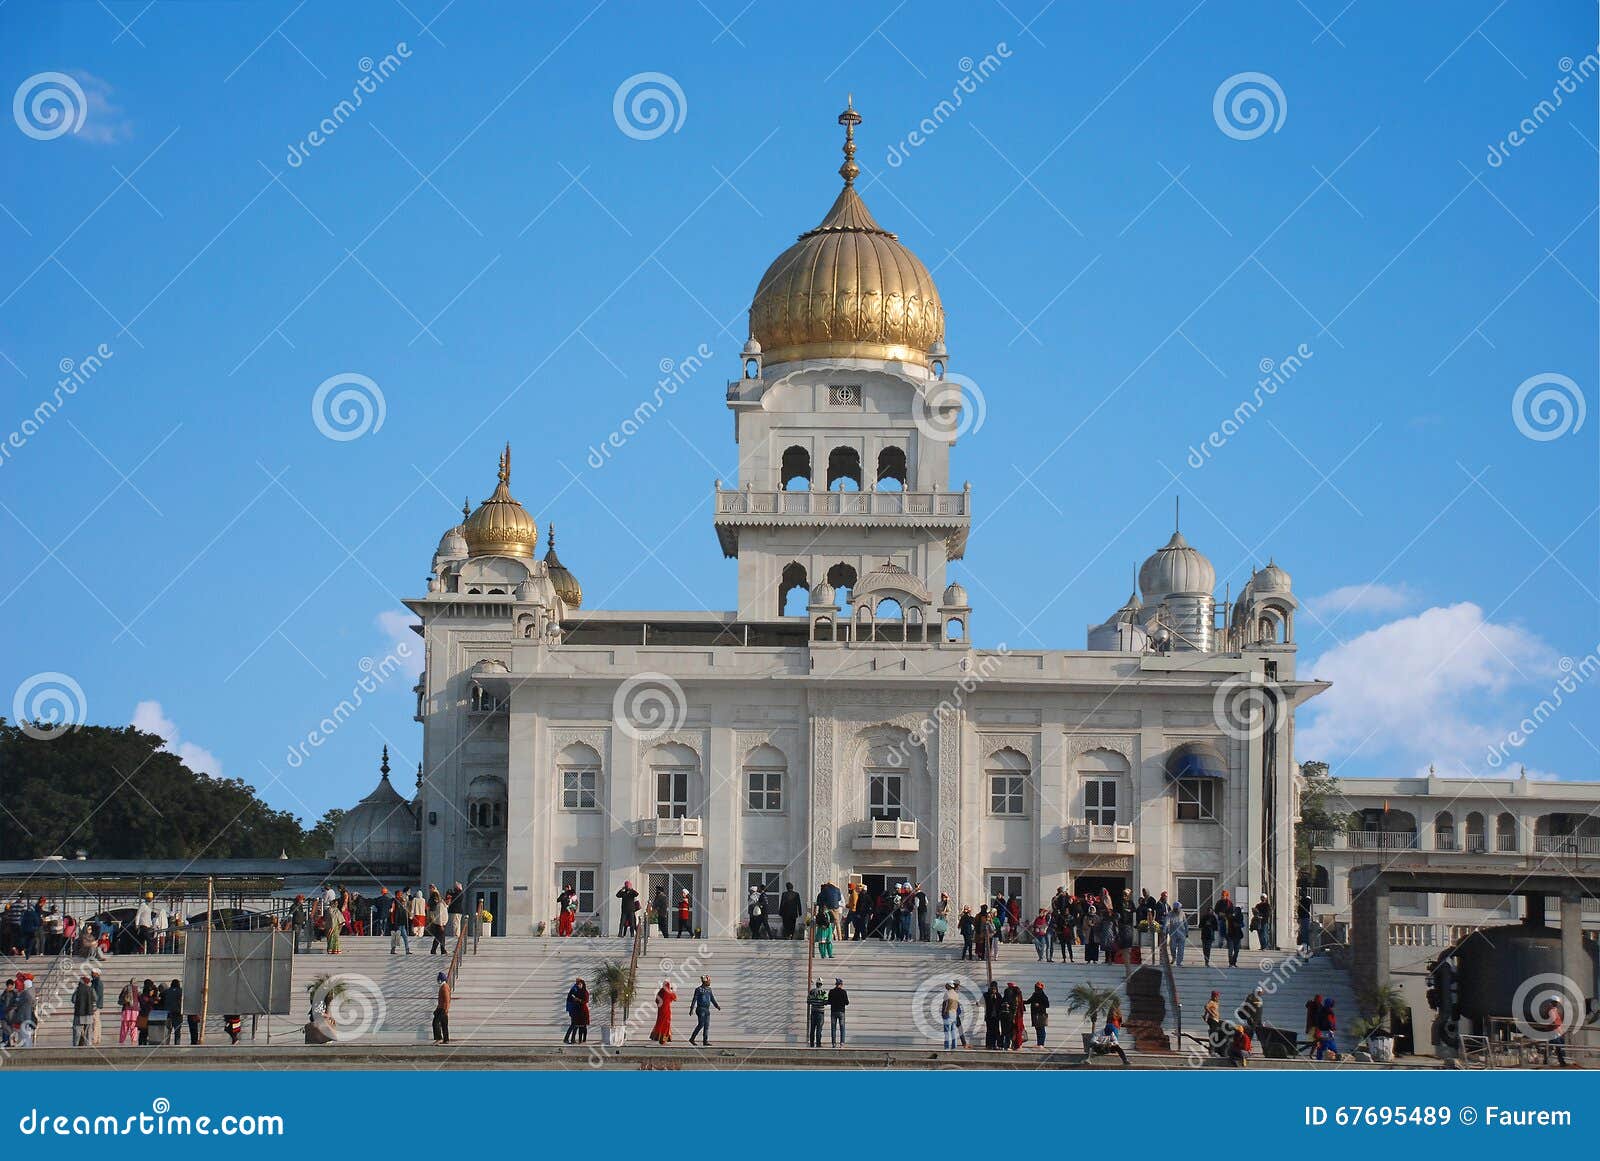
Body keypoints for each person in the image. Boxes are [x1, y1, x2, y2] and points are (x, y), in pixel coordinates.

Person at [688, 976, 720, 1046]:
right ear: (705, 981)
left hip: (707, 1009)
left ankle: (705, 1041)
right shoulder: (698, 989)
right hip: (700, 1009)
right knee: (701, 1024)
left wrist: (716, 1006)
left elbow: (712, 999)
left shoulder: (709, 989)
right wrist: (691, 1009)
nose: (710, 982)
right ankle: (692, 1039)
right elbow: (694, 999)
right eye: (709, 981)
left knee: (706, 1025)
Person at [72, 973, 96, 1047]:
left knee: (77, 1031)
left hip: (79, 1013)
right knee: (88, 1031)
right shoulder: (91, 989)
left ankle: (75, 1045)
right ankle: (88, 1045)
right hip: (89, 1013)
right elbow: (95, 999)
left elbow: (73, 1000)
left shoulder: (78, 990)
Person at [564, 977, 590, 1044]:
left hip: (577, 1010)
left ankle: (572, 1040)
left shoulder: (578, 989)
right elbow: (571, 998)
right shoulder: (575, 988)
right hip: (574, 1009)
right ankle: (567, 1039)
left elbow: (584, 1000)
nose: (578, 984)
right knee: (574, 1025)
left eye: (579, 982)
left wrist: (578, 1000)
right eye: (578, 982)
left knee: (576, 1025)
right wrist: (576, 1000)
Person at [1026, 982, 1050, 1047]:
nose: (1036, 989)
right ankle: (1039, 1043)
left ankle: (1041, 1044)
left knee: (1041, 1029)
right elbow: (1029, 1001)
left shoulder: (1043, 995)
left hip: (1041, 1015)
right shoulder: (1034, 994)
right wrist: (1021, 1002)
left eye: (1037, 988)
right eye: (1036, 987)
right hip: (1035, 1014)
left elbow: (1047, 1005)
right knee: (1037, 1029)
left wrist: (1039, 1005)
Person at [981, 981, 1003, 1049]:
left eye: (995, 989)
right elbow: (981, 1002)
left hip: (996, 1016)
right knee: (989, 1031)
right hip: (989, 1016)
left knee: (996, 1031)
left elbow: (1001, 1004)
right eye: (992, 989)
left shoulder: (998, 996)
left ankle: (997, 1045)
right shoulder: (986, 995)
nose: (993, 990)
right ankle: (989, 1045)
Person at [827, 978, 849, 1046]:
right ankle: (842, 1043)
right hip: (841, 1012)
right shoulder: (844, 992)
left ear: (836, 984)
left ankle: (834, 1043)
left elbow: (829, 1002)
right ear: (841, 984)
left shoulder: (831, 991)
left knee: (833, 1028)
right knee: (842, 1028)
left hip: (833, 1011)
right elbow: (847, 1002)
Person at [940, 982, 962, 1049]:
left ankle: (946, 1047)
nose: (945, 986)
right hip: (954, 1014)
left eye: (946, 985)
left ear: (949, 986)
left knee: (947, 1032)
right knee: (953, 1031)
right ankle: (954, 1047)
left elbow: (945, 1005)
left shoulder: (947, 993)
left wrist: (943, 1013)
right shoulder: (956, 994)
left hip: (948, 1013)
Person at [806, 980, 827, 1048]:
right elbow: (826, 1002)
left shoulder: (812, 991)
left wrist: (814, 1002)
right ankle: (818, 1043)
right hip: (820, 1012)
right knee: (819, 1029)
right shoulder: (824, 992)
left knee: (812, 1028)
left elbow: (808, 1001)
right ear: (821, 984)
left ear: (816, 984)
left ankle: (812, 1043)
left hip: (813, 1011)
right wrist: (820, 1002)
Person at [118, 978, 139, 1044]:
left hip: (126, 1010)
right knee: (134, 1027)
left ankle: (122, 1041)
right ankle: (133, 1041)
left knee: (124, 1027)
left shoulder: (126, 988)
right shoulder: (138, 989)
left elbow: (120, 997)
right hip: (135, 1011)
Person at [390, 889, 411, 954]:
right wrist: (393, 921)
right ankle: (393, 949)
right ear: (397, 895)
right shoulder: (394, 901)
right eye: (400, 894)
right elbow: (393, 912)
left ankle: (407, 950)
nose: (401, 895)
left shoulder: (402, 901)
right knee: (397, 936)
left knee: (405, 936)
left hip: (402, 922)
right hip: (397, 922)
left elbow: (405, 910)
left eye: (401, 894)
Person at [1167, 902, 1188, 966]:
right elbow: (1167, 923)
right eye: (1175, 908)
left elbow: (1185, 923)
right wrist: (1166, 930)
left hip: (1182, 933)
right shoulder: (1170, 914)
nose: (1176, 910)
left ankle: (1179, 962)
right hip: (1173, 933)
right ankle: (1174, 958)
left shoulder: (1182, 913)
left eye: (1178, 908)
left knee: (1181, 948)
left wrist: (1187, 932)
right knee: (1172, 947)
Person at [163, 978, 183, 1045]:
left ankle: (166, 1043)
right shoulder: (181, 991)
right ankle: (177, 1044)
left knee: (167, 1030)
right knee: (177, 1031)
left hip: (168, 1013)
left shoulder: (167, 991)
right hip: (178, 1013)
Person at [433, 971, 451, 1044]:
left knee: (435, 1023)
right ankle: (446, 1039)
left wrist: (445, 1010)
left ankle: (439, 1038)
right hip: (442, 1008)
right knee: (444, 1024)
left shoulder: (444, 987)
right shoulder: (444, 986)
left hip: (443, 1009)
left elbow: (447, 1000)